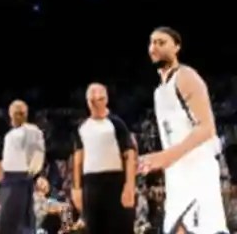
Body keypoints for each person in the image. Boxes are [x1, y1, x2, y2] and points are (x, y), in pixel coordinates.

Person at [139, 27, 229, 234]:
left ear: (177, 47)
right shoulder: (159, 91)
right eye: (152, 42)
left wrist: (168, 156)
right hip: (177, 176)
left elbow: (207, 127)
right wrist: (155, 160)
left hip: (198, 170)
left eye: (162, 42)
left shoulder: (186, 76)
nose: (155, 47)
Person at [72, 83, 137, 234]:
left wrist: (130, 185)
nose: (96, 103)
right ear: (88, 102)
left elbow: (130, 155)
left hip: (115, 182)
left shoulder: (117, 123)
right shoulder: (82, 127)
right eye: (92, 100)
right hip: (91, 184)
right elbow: (78, 160)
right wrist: (76, 188)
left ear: (106, 99)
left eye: (100, 99)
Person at [0, 100, 46, 234]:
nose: (18, 116)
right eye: (16, 113)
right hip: (8, 181)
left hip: (21, 180)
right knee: (7, 222)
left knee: (19, 223)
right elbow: (3, 162)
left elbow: (39, 152)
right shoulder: (9, 136)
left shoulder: (32, 131)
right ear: (10, 114)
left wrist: (33, 172)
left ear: (26, 114)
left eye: (21, 113)